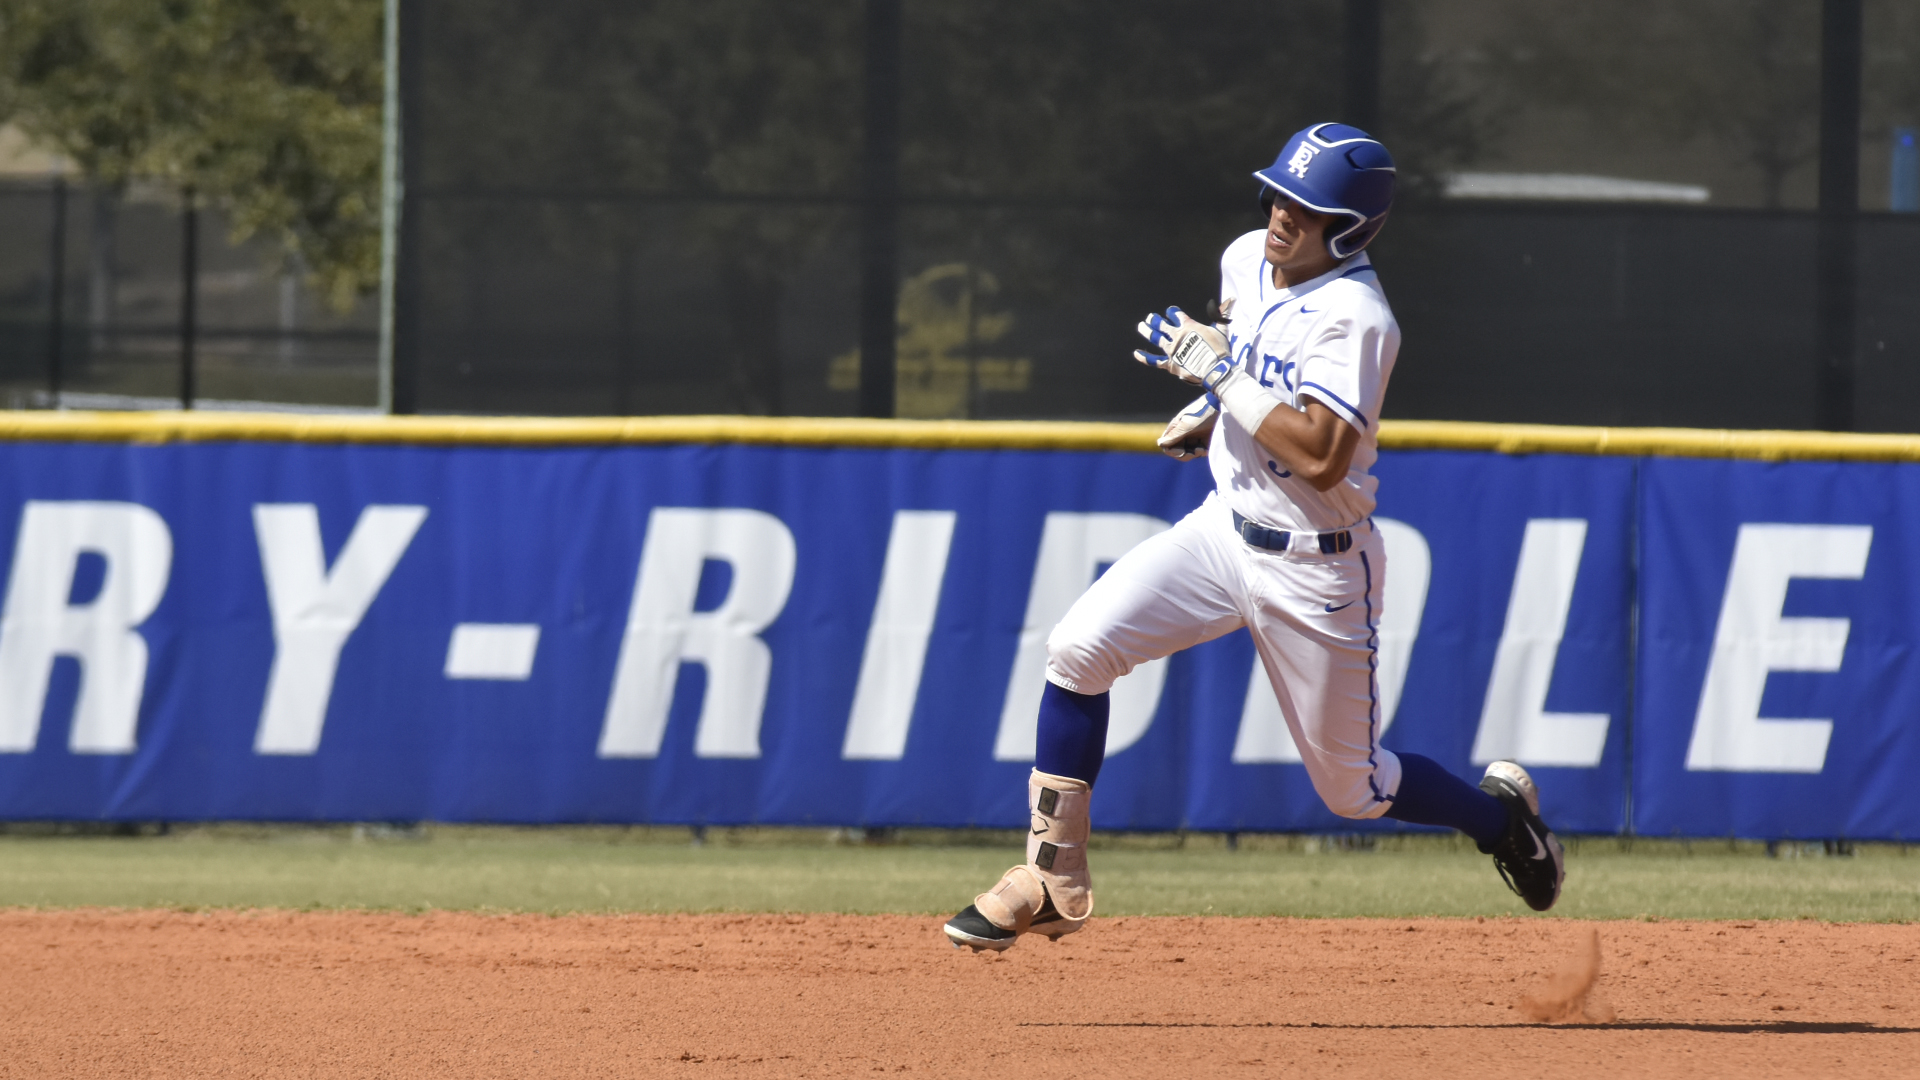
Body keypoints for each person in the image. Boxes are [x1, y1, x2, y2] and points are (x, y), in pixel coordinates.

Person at [943, 123, 1564, 952]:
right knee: (1076, 651)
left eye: (1306, 209)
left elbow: (1318, 454)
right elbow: (1242, 348)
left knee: (1355, 788)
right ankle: (1053, 876)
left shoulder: (1356, 317)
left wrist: (1221, 379)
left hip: (1316, 568)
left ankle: (1499, 821)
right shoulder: (1247, 258)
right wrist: (1212, 410)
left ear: (1349, 227)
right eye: (1277, 194)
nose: (1280, 216)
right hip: (1221, 533)